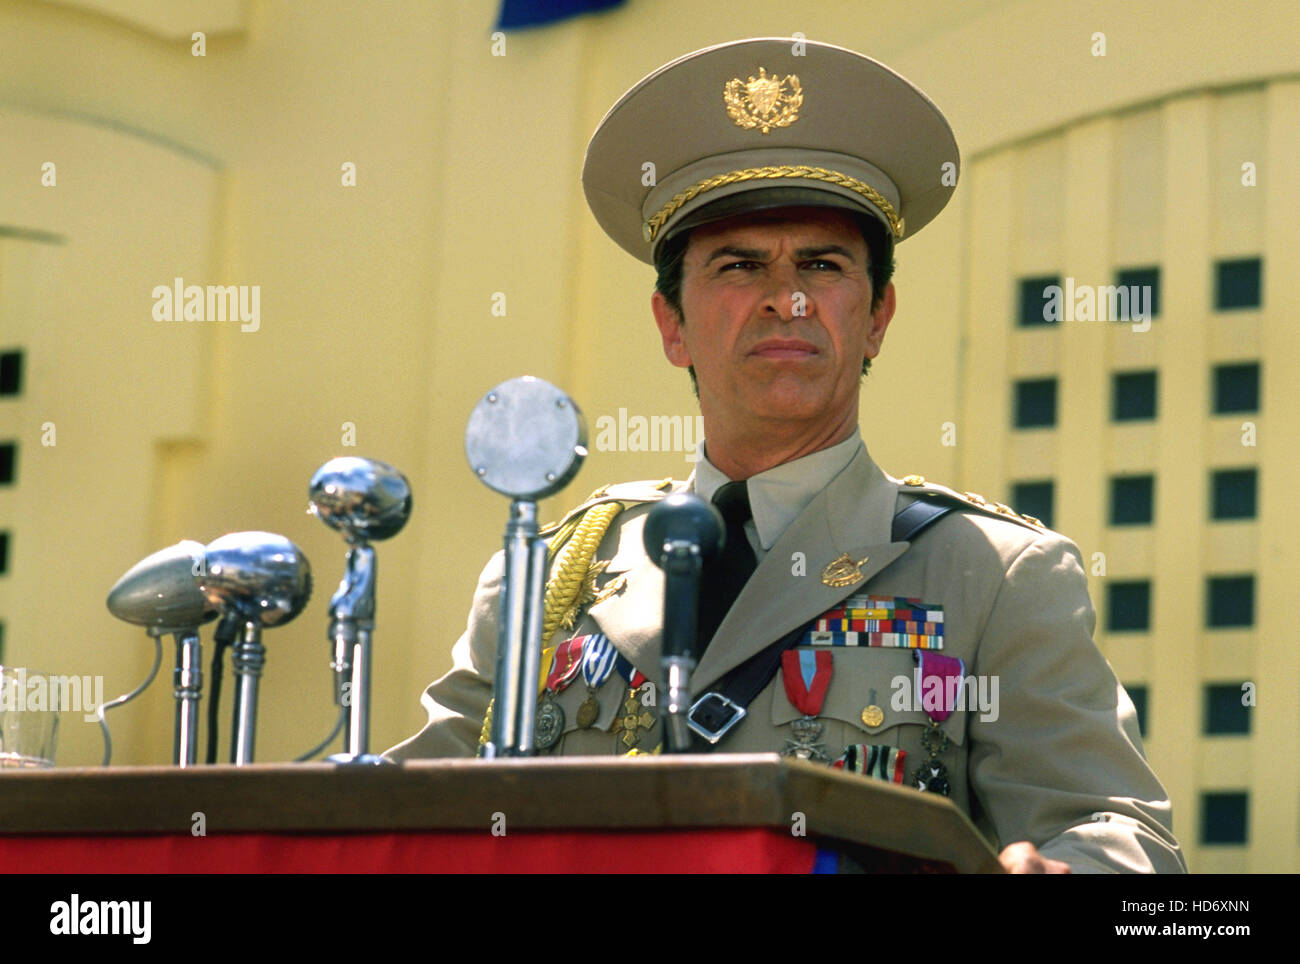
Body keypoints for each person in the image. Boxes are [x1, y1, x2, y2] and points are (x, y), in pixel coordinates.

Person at [386, 37, 1186, 874]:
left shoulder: (990, 576)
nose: (786, 298)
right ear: (671, 324)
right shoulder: (552, 576)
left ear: (877, 316)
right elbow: (409, 819)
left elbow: (1114, 830)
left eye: (822, 264)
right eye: (739, 265)